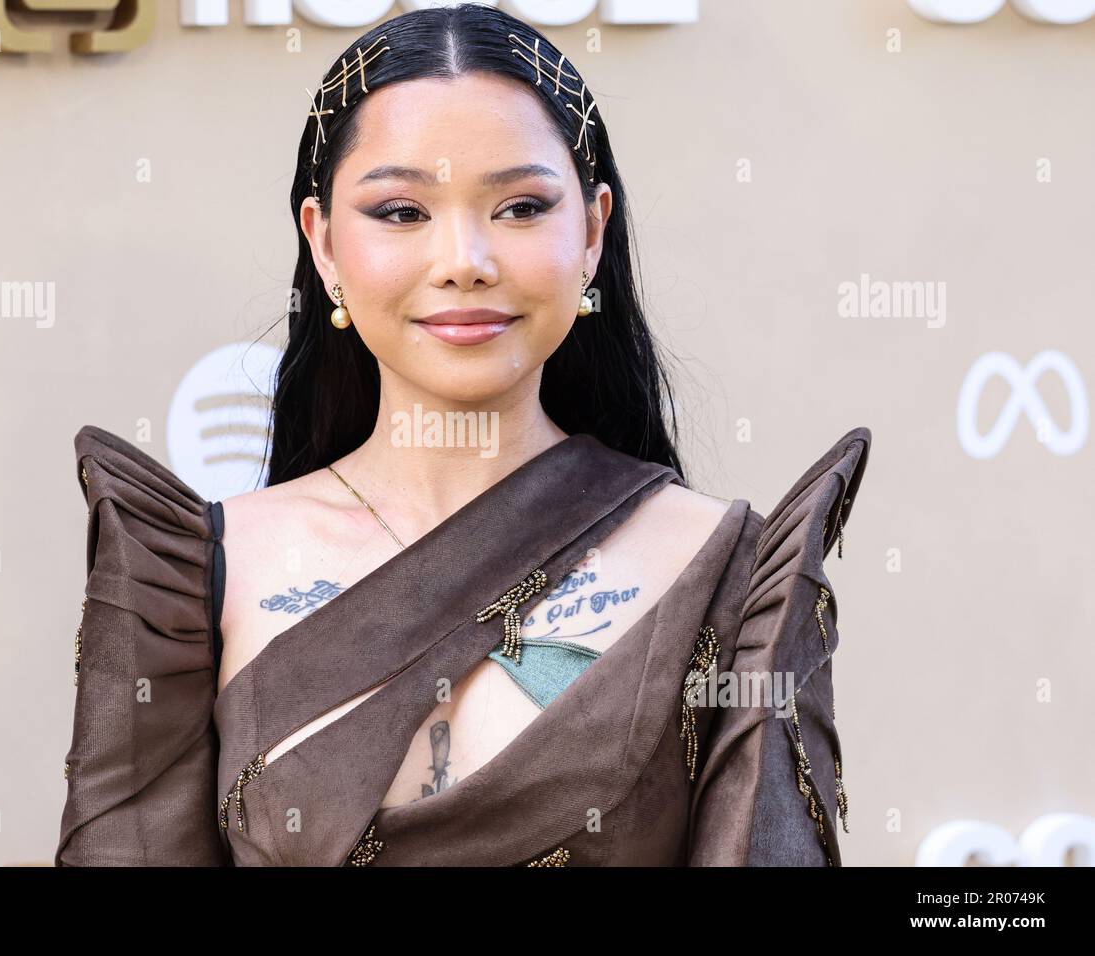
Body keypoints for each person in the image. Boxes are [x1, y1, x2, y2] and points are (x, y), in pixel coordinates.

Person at [55, 3, 872, 867]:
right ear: (323, 243)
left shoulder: (729, 573)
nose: (465, 258)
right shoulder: (196, 575)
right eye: (401, 212)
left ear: (592, 233)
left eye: (521, 206)